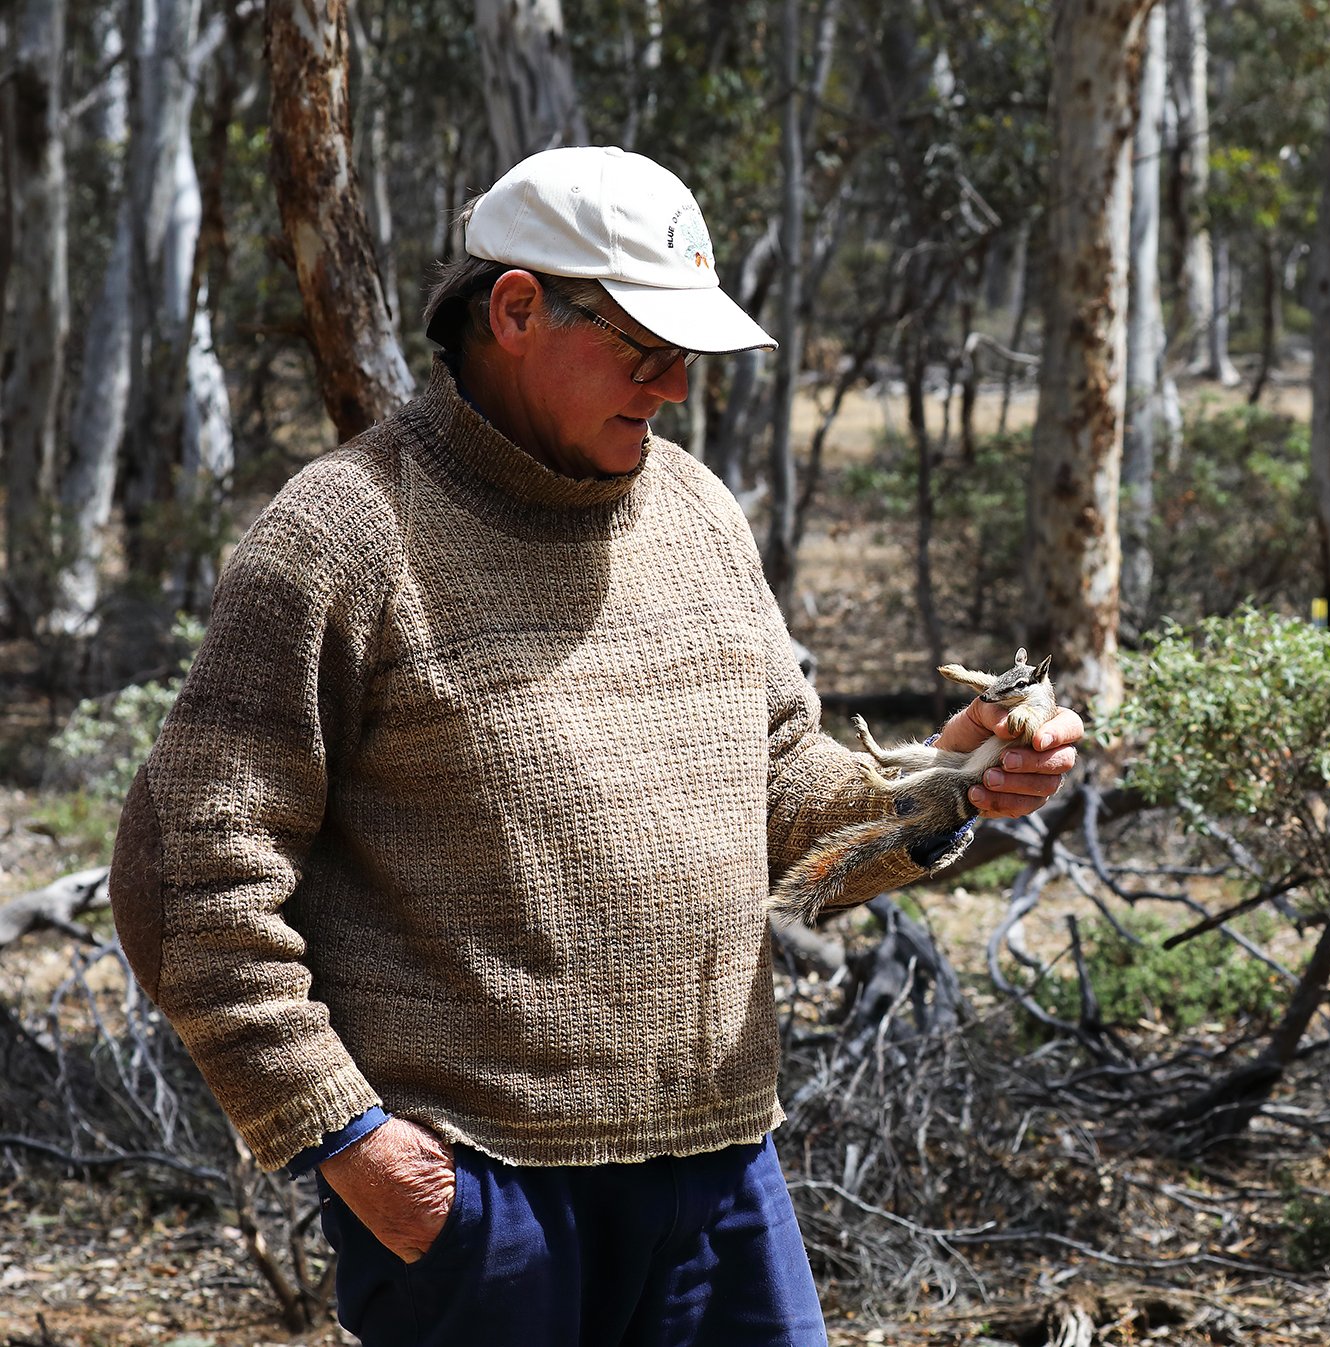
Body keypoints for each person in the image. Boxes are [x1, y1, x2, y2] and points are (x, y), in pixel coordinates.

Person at [108, 145, 1082, 1346]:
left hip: (724, 1171)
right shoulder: (339, 543)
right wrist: (354, 1145)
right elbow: (188, 882)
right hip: (480, 1195)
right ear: (515, 309)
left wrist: (954, 784)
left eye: (688, 357)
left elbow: (779, 781)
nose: (673, 387)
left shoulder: (697, 516)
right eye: (644, 350)